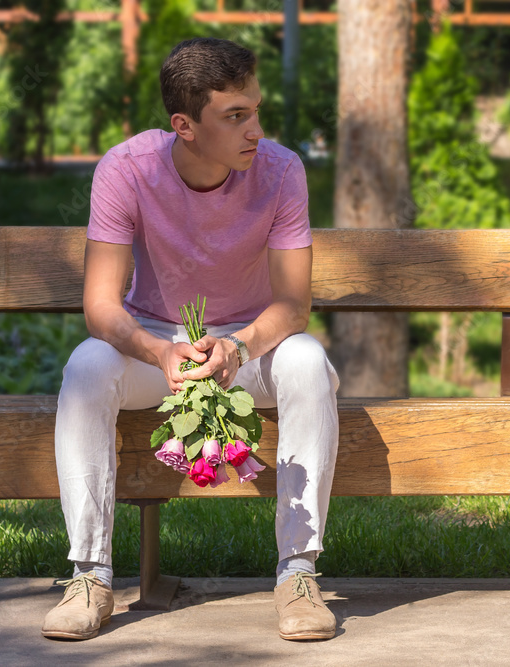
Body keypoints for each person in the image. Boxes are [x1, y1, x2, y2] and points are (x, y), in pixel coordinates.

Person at [40, 37, 340, 642]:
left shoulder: (282, 171)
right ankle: (90, 577)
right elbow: (100, 306)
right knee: (86, 369)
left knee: (307, 361)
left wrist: (239, 348)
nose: (255, 129)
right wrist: (158, 351)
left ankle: (299, 574)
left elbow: (294, 306)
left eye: (255, 109)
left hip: (249, 351)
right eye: (235, 117)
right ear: (185, 126)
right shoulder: (127, 169)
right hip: (154, 346)